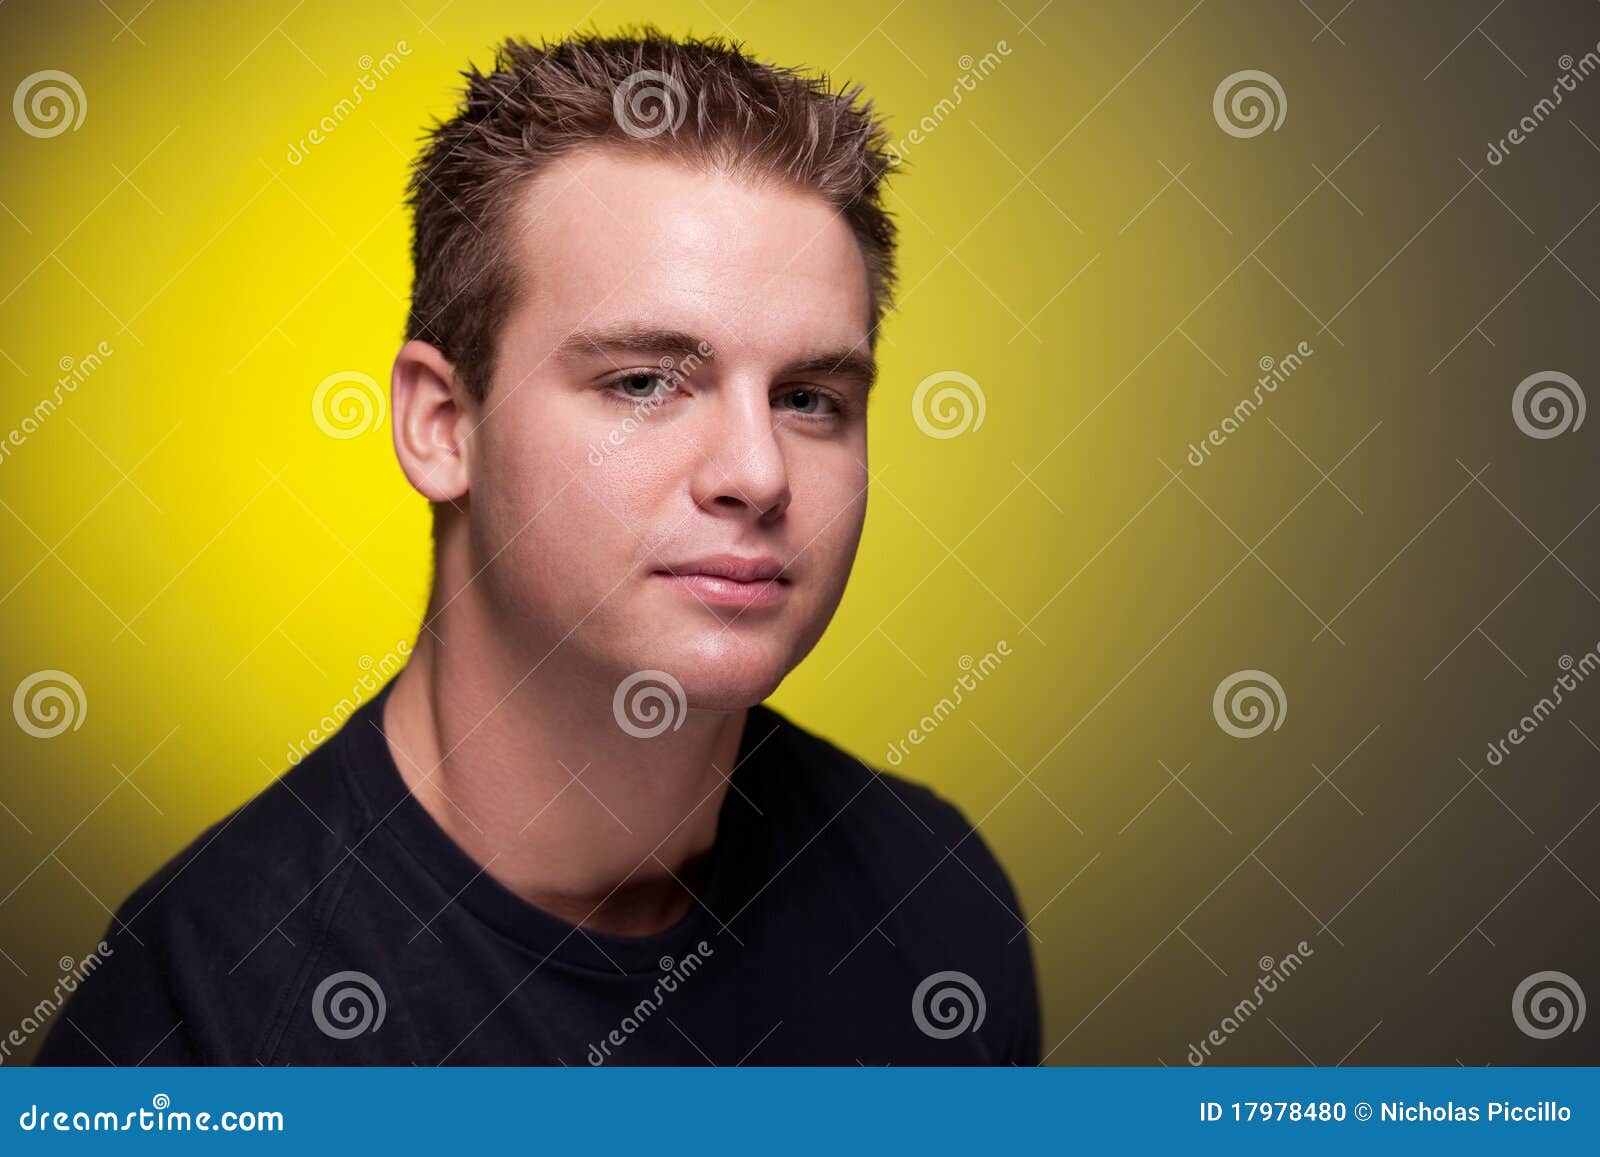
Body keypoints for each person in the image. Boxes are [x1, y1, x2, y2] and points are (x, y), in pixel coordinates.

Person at [35, 27, 1040, 1066]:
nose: (760, 471)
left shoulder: (934, 906)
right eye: (644, 381)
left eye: (809, 398)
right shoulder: (199, 1018)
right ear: (441, 422)